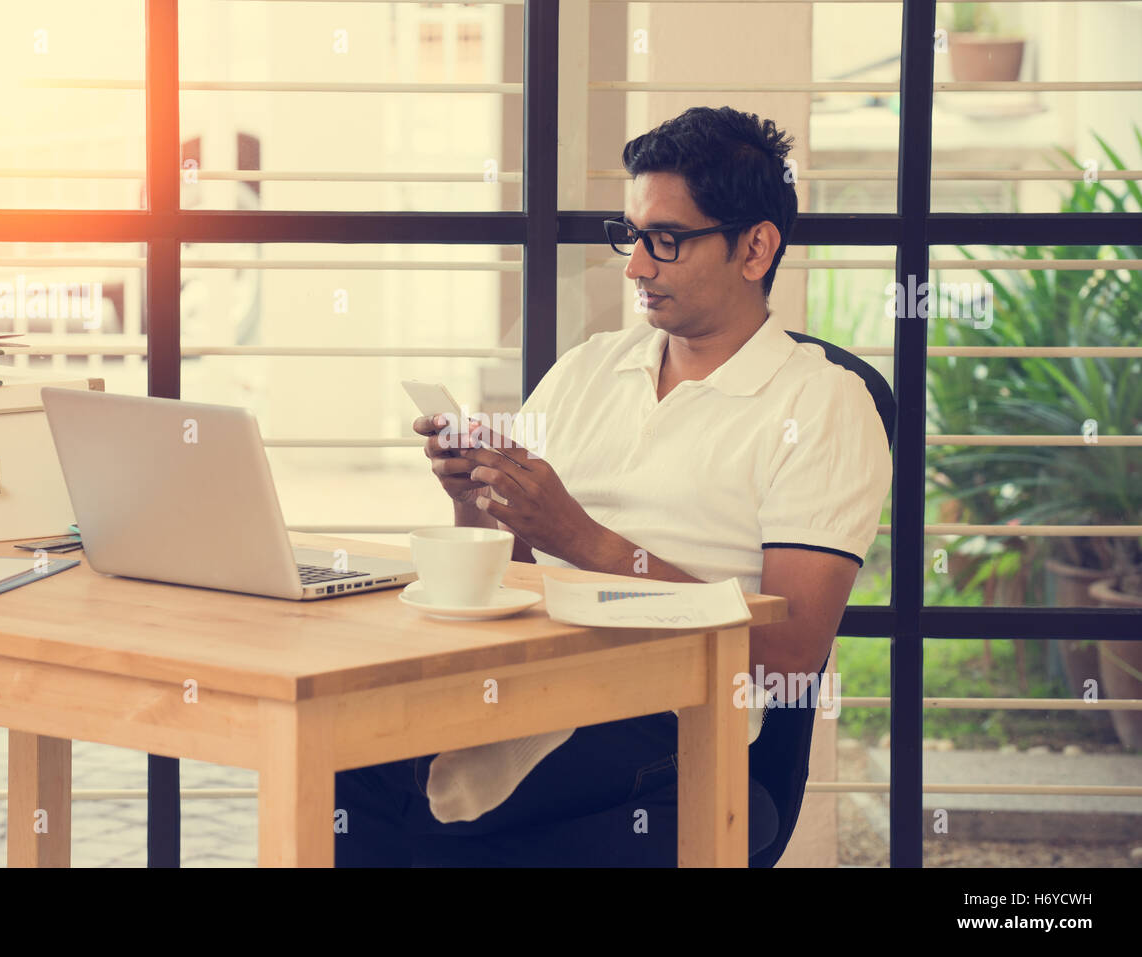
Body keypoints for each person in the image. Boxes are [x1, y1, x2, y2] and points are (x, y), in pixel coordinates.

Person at [335, 105, 893, 867]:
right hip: (526, 670)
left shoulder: (822, 404)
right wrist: (474, 491)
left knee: (418, 794)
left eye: (666, 239)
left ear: (756, 246)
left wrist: (580, 536)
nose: (635, 266)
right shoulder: (592, 366)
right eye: (630, 235)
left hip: (667, 709)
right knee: (343, 748)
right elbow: (512, 562)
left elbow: (788, 657)